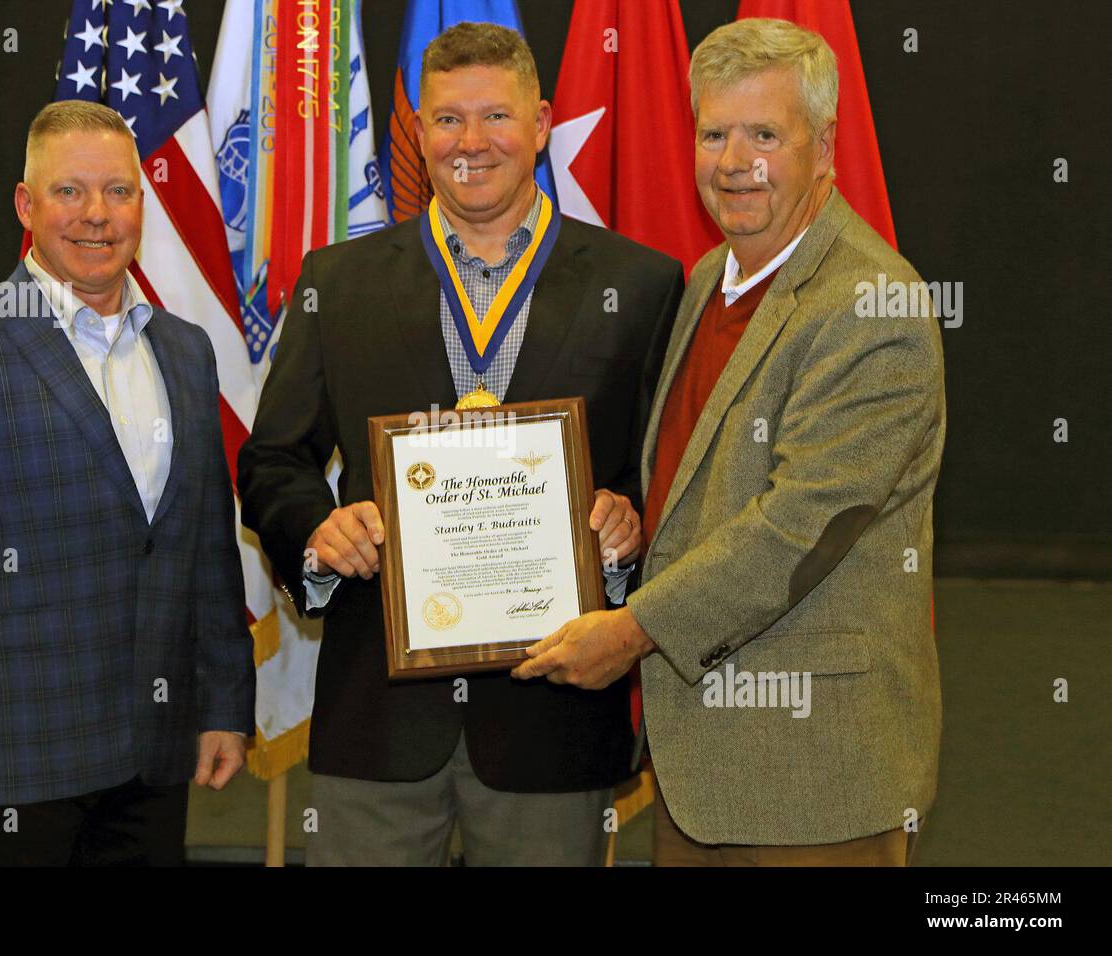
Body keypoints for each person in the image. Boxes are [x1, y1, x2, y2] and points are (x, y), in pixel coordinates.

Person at [237, 22, 684, 866]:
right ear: (418, 133)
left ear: (543, 122)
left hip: (553, 727)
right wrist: (316, 536)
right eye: (446, 120)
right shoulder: (339, 281)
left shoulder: (642, 283)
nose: (470, 143)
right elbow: (272, 460)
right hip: (376, 722)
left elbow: (668, 475)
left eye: (495, 117)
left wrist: (629, 532)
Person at [515, 18, 945, 866]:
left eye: (763, 134)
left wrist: (632, 630)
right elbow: (692, 483)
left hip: (815, 777)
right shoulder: (713, 276)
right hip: (699, 765)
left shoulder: (871, 305)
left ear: (823, 149)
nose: (732, 160)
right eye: (714, 132)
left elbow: (801, 527)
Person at [0, 100, 255, 866]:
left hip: (153, 762)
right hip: (5, 772)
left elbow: (206, 547)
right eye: (69, 191)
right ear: (26, 204)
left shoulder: (187, 351)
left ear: (143, 200)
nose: (96, 215)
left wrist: (225, 706)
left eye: (118, 191)